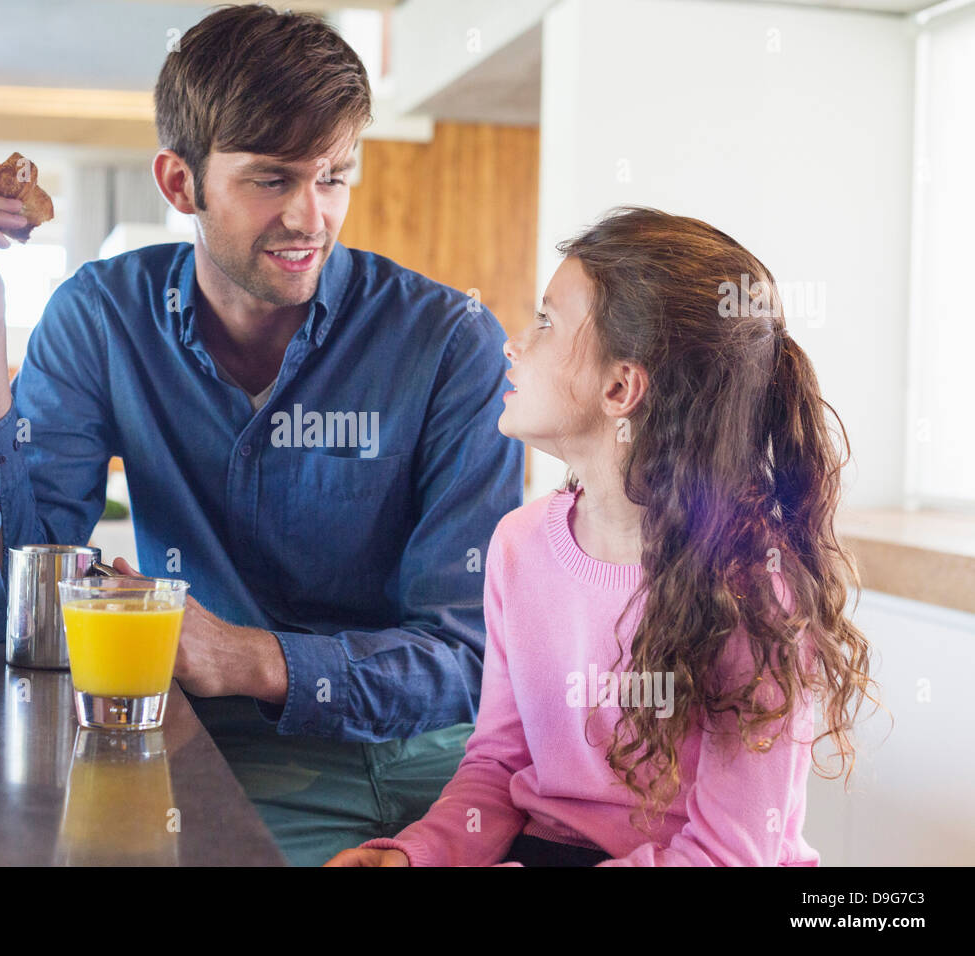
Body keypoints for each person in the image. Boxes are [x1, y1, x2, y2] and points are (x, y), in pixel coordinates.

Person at [0, 5, 523, 866]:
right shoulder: (103, 318)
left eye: (335, 177)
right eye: (272, 179)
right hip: (210, 748)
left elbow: (467, 652)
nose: (312, 217)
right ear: (179, 183)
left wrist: (245, 658)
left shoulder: (450, 341)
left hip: (428, 766)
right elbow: (1, 611)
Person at [327, 207, 878, 867]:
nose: (514, 344)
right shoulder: (517, 546)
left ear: (620, 387)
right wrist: (418, 854)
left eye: (546, 321)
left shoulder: (756, 588)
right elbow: (498, 764)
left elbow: (729, 852)